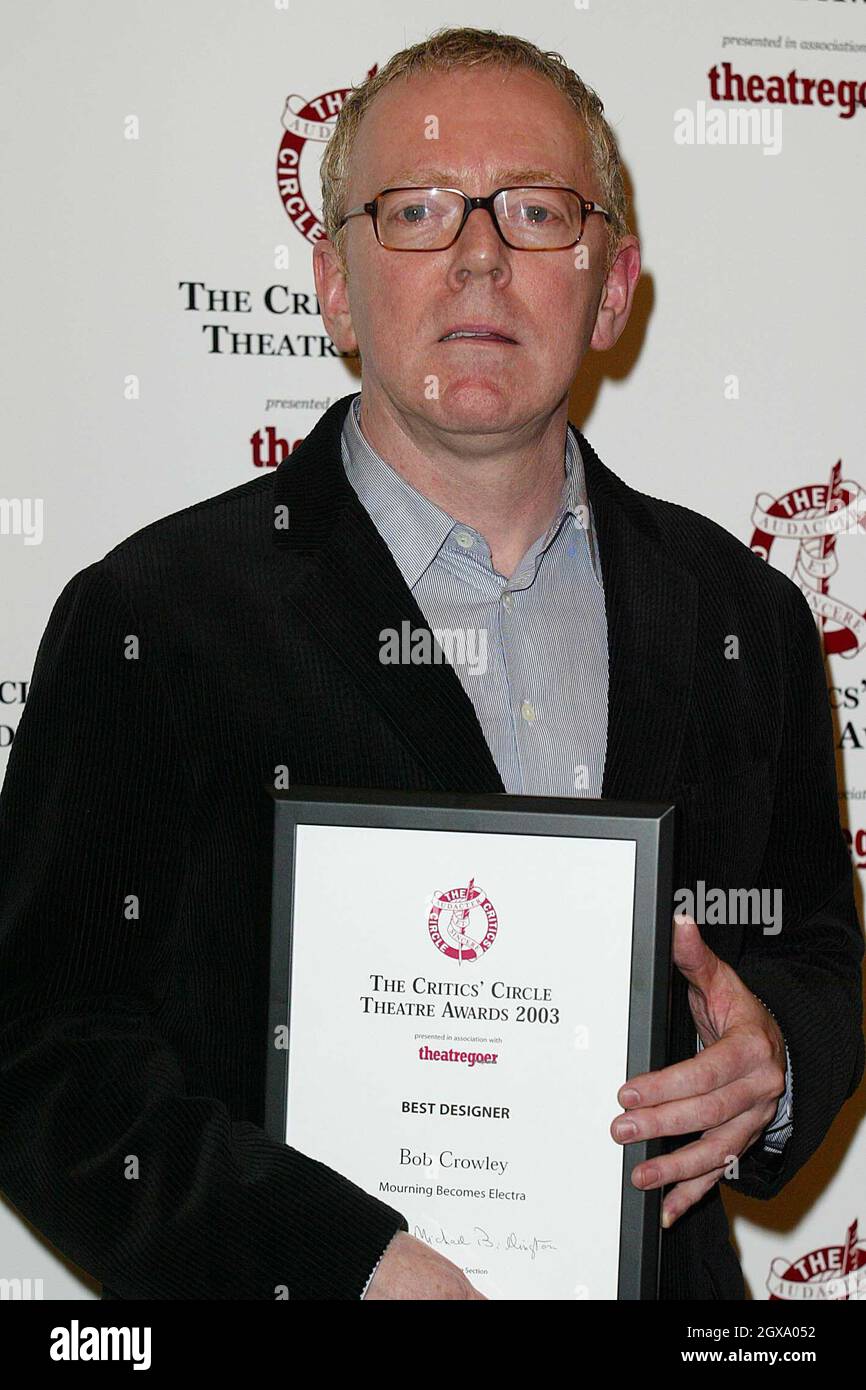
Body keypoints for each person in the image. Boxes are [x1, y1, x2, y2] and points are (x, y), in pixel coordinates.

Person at [0, 26, 862, 1302]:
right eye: (414, 212)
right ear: (336, 286)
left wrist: (775, 1058)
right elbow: (39, 1049)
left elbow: (812, 950)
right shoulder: (155, 621)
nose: (477, 257)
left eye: (533, 211)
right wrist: (330, 1263)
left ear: (611, 282)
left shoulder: (744, 617)